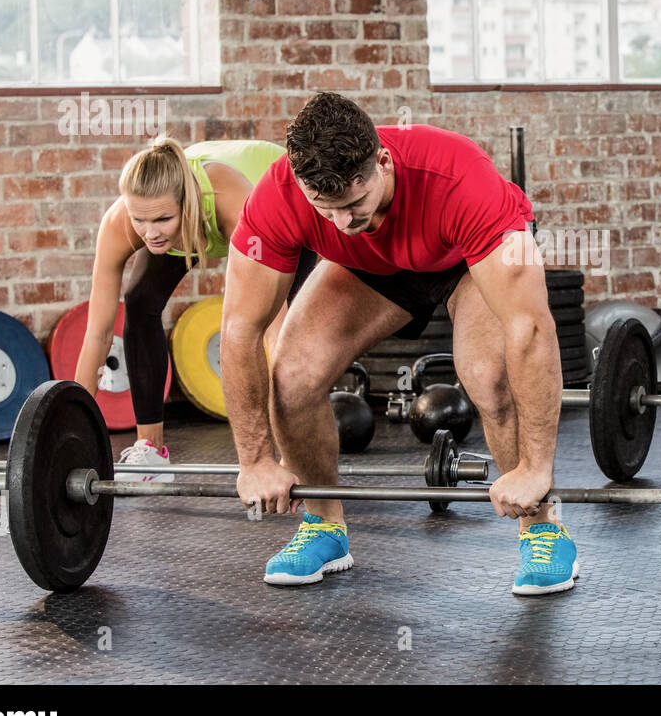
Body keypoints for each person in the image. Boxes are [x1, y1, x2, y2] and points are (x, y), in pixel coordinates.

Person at [222, 93, 573, 595]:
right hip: (373, 269)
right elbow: (239, 329)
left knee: (489, 377)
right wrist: (254, 460)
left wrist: (536, 466)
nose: (342, 222)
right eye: (326, 210)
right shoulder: (280, 196)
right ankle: (324, 526)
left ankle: (542, 528)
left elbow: (531, 327)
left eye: (353, 204)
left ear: (382, 162)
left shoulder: (458, 179)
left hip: (466, 260)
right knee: (293, 374)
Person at [76, 137, 316, 481]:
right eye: (140, 220)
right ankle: (151, 452)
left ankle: (296, 444)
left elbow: (272, 325)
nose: (150, 233)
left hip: (285, 197)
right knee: (140, 300)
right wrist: (73, 423)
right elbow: (98, 333)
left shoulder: (232, 201)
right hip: (204, 215)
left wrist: (287, 444)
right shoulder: (121, 223)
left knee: (284, 318)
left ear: (186, 204)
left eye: (161, 219)